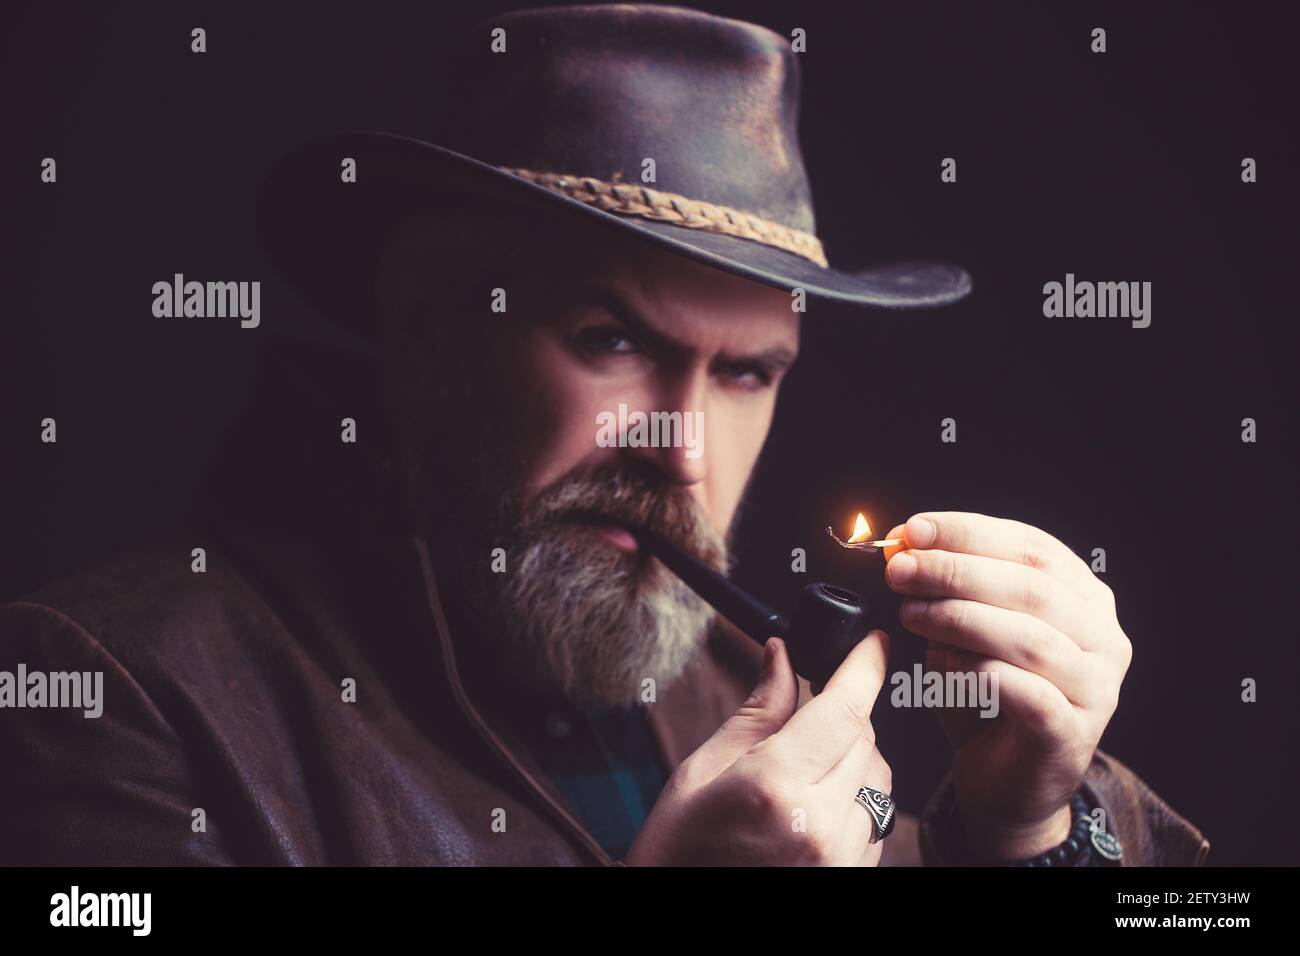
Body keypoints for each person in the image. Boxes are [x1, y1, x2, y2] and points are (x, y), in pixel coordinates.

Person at [0, 4, 1207, 866]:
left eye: (745, 371)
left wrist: (1030, 827)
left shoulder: (755, 694)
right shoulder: (109, 698)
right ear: (428, 332)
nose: (682, 448)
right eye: (612, 339)